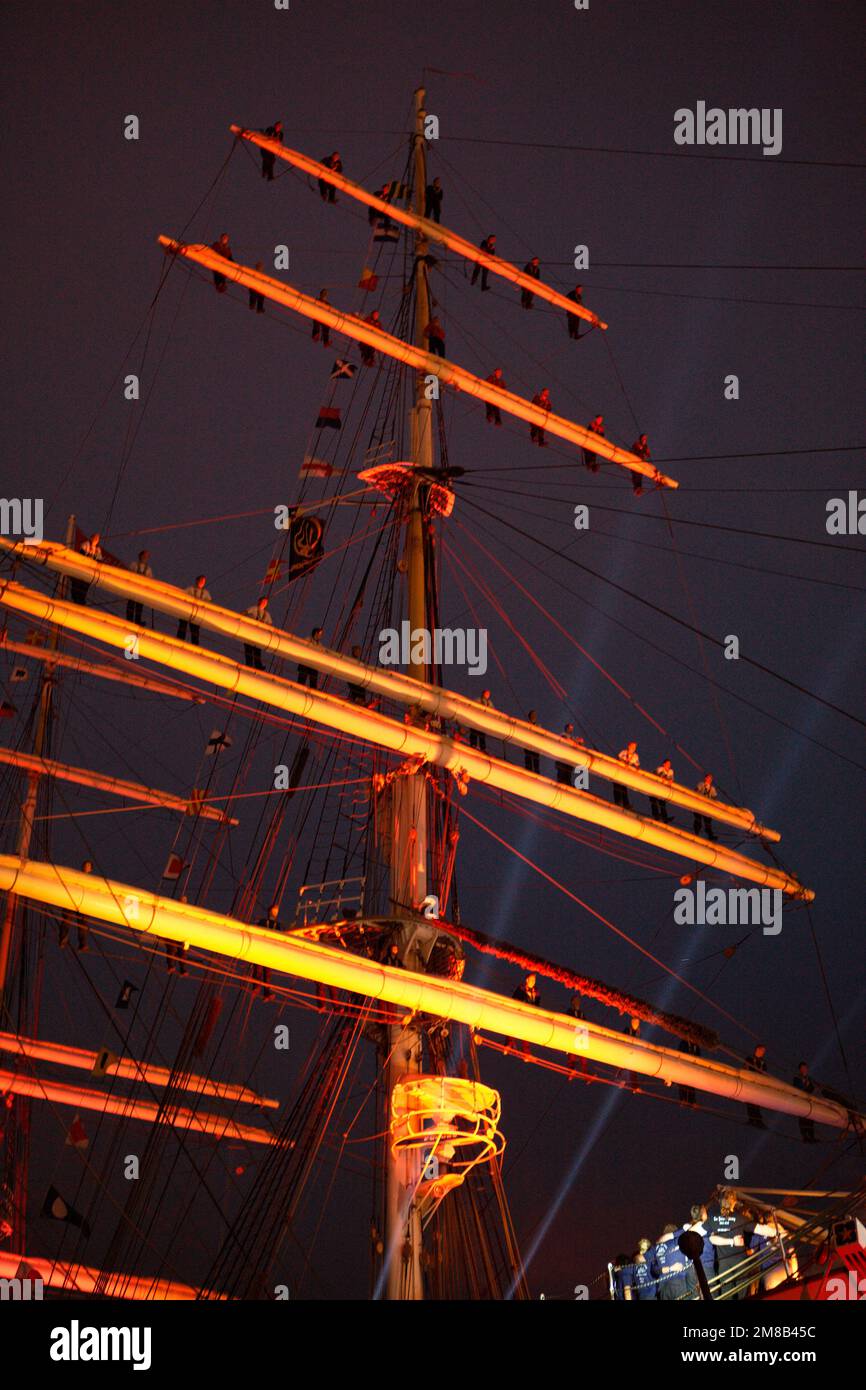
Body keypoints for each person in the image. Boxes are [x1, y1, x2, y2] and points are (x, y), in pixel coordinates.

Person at [707, 1189, 748, 1298]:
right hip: (739, 1261)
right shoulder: (740, 1218)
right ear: (733, 1202)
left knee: (726, 1293)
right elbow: (757, 1228)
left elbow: (711, 1237)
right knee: (742, 1290)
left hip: (723, 1262)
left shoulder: (713, 1217)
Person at [252, 903, 284, 1001]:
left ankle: (266, 991)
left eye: (276, 912)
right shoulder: (264, 922)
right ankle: (257, 987)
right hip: (262, 948)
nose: (274, 913)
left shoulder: (276, 925)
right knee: (259, 969)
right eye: (274, 911)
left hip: (269, 950)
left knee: (267, 972)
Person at [682, 1204, 715, 1297]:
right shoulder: (705, 1226)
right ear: (703, 1214)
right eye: (705, 1212)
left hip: (690, 1269)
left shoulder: (687, 1228)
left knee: (695, 1296)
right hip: (704, 1267)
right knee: (711, 1294)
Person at [651, 1222, 688, 1300]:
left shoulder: (655, 1248)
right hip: (678, 1282)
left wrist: (669, 1268)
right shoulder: (678, 1241)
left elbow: (654, 1270)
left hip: (662, 1287)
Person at [70, 533, 104, 605]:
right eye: (95, 538)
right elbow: (81, 555)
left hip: (90, 572)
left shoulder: (97, 549)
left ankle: (81, 600)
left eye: (97, 539)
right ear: (91, 538)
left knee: (84, 588)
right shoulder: (85, 544)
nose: (96, 540)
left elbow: (100, 560)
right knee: (77, 586)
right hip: (81, 569)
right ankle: (75, 599)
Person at [177, 575, 211, 645]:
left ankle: (194, 646)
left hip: (197, 614)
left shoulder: (206, 593)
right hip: (187, 611)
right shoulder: (190, 589)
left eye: (203, 581)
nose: (202, 582)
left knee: (195, 631)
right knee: (183, 627)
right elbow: (182, 595)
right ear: (197, 581)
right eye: (201, 581)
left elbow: (209, 603)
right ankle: (179, 642)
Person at [242, 595, 273, 669]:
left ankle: (258, 665)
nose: (264, 603)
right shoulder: (253, 609)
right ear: (259, 601)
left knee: (257, 651)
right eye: (263, 601)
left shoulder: (267, 614)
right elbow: (243, 613)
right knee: (248, 649)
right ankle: (249, 665)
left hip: (259, 635)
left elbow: (270, 625)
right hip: (250, 632)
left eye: (266, 602)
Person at [125, 549, 152, 625]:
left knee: (139, 607)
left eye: (147, 556)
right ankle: (129, 620)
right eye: (145, 555)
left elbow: (150, 581)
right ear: (140, 556)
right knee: (131, 604)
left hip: (142, 590)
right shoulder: (134, 565)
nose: (146, 557)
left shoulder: (149, 569)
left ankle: (137, 621)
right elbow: (128, 574)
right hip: (133, 588)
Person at [745, 1043, 768, 1128]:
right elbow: (746, 1069)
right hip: (750, 1082)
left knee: (757, 1101)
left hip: (758, 1084)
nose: (763, 1053)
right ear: (757, 1049)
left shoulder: (763, 1062)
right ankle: (751, 1119)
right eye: (762, 1051)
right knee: (749, 1101)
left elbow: (764, 1073)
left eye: (764, 1051)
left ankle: (758, 1120)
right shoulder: (749, 1059)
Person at [793, 1062, 817, 1142]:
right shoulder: (797, 1078)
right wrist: (804, 1084)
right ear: (800, 1069)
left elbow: (812, 1088)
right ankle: (805, 1136)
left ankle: (811, 1136)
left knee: (810, 1118)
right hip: (801, 1100)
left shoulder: (809, 1079)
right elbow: (796, 1087)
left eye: (806, 1068)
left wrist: (808, 1085)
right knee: (803, 1117)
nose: (804, 1070)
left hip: (808, 1099)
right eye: (803, 1068)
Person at [613, 741, 639, 809]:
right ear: (629, 746)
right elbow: (618, 759)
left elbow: (637, 766)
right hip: (619, 771)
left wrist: (632, 766)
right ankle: (617, 802)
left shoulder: (635, 756)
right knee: (617, 787)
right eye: (632, 746)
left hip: (626, 774)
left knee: (624, 789)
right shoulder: (623, 752)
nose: (633, 748)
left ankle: (625, 804)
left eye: (635, 747)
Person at [693, 771, 718, 840]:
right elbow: (696, 790)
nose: (709, 779)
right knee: (698, 820)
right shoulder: (701, 784)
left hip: (707, 806)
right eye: (708, 778)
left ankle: (710, 835)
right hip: (699, 804)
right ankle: (696, 833)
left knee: (708, 822)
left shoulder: (712, 789)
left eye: (710, 778)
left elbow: (714, 797)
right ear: (705, 778)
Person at [650, 757, 674, 822]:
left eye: (669, 764)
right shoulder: (660, 768)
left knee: (662, 803)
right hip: (654, 787)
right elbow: (659, 774)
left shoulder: (671, 771)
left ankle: (664, 817)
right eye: (667, 764)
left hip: (663, 789)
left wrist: (668, 780)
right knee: (654, 802)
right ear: (664, 764)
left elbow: (671, 779)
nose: (669, 765)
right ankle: (656, 816)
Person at [678, 1037, 700, 1106]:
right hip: (684, 1064)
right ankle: (683, 1099)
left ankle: (691, 1101)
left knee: (691, 1083)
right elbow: (680, 1052)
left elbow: (698, 1054)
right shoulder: (684, 1043)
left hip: (693, 1064)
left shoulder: (696, 1045)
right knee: (683, 1083)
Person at [630, 432, 651, 497]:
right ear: (641, 439)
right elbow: (632, 450)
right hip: (635, 461)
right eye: (643, 438)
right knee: (635, 475)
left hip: (641, 463)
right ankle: (637, 488)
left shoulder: (645, 446)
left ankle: (638, 488)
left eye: (645, 438)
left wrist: (647, 452)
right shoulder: (637, 444)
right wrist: (639, 448)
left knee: (640, 476)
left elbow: (648, 455)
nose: (644, 440)